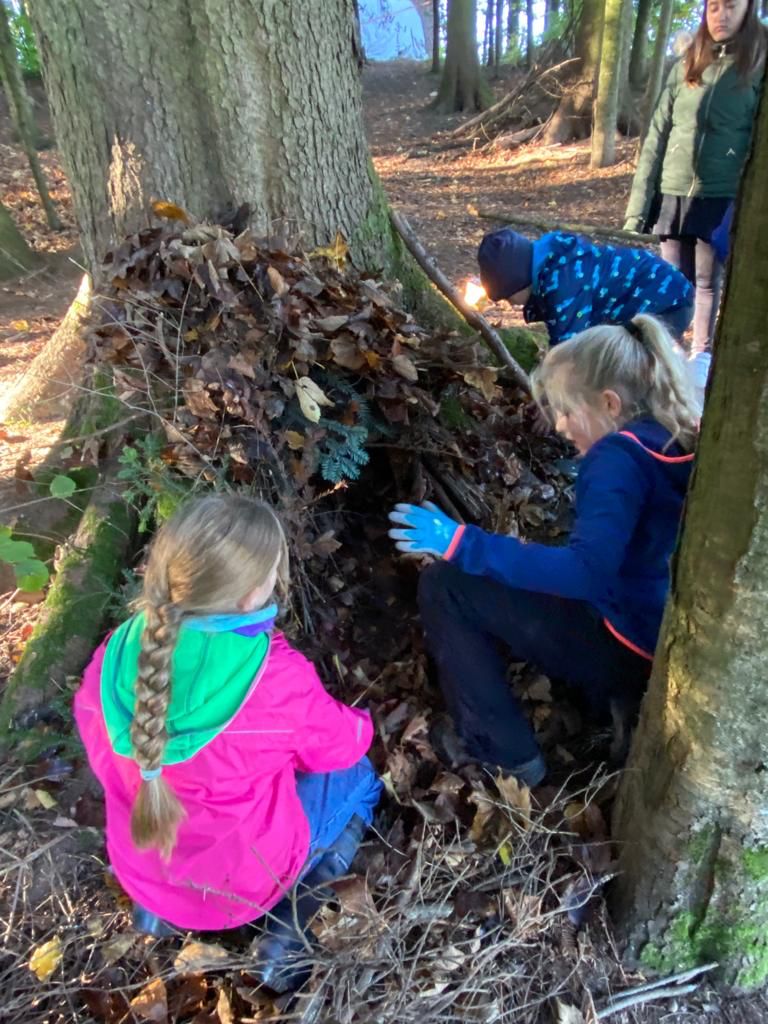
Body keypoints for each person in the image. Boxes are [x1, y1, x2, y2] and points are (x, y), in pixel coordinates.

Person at [74, 494, 381, 992]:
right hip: (240, 886)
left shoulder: (117, 653)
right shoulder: (277, 680)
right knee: (361, 779)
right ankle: (287, 932)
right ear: (247, 596)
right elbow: (341, 747)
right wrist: (362, 723)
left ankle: (155, 915)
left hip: (142, 866)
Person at [389, 316, 698, 787]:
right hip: (656, 635)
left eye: (568, 410)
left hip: (622, 643)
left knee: (446, 585)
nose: (559, 424)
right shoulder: (671, 437)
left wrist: (460, 542)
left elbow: (586, 573)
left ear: (609, 403)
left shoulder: (615, 457)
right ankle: (606, 705)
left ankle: (505, 755)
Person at [624, 0, 767, 355]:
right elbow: (657, 134)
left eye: (731, 7)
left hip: (720, 192)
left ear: (748, 9)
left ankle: (700, 357)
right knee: (672, 281)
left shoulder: (759, 62)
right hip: (672, 189)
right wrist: (637, 210)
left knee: (705, 282)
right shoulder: (686, 62)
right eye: (714, 7)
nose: (721, 16)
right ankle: (669, 356)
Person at [477, 227, 694, 346]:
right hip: (654, 301)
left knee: (633, 369)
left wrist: (549, 402)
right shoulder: (553, 265)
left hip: (666, 303)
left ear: (519, 281)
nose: (511, 304)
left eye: (508, 296)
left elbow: (568, 348)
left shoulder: (562, 283)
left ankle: (652, 422)